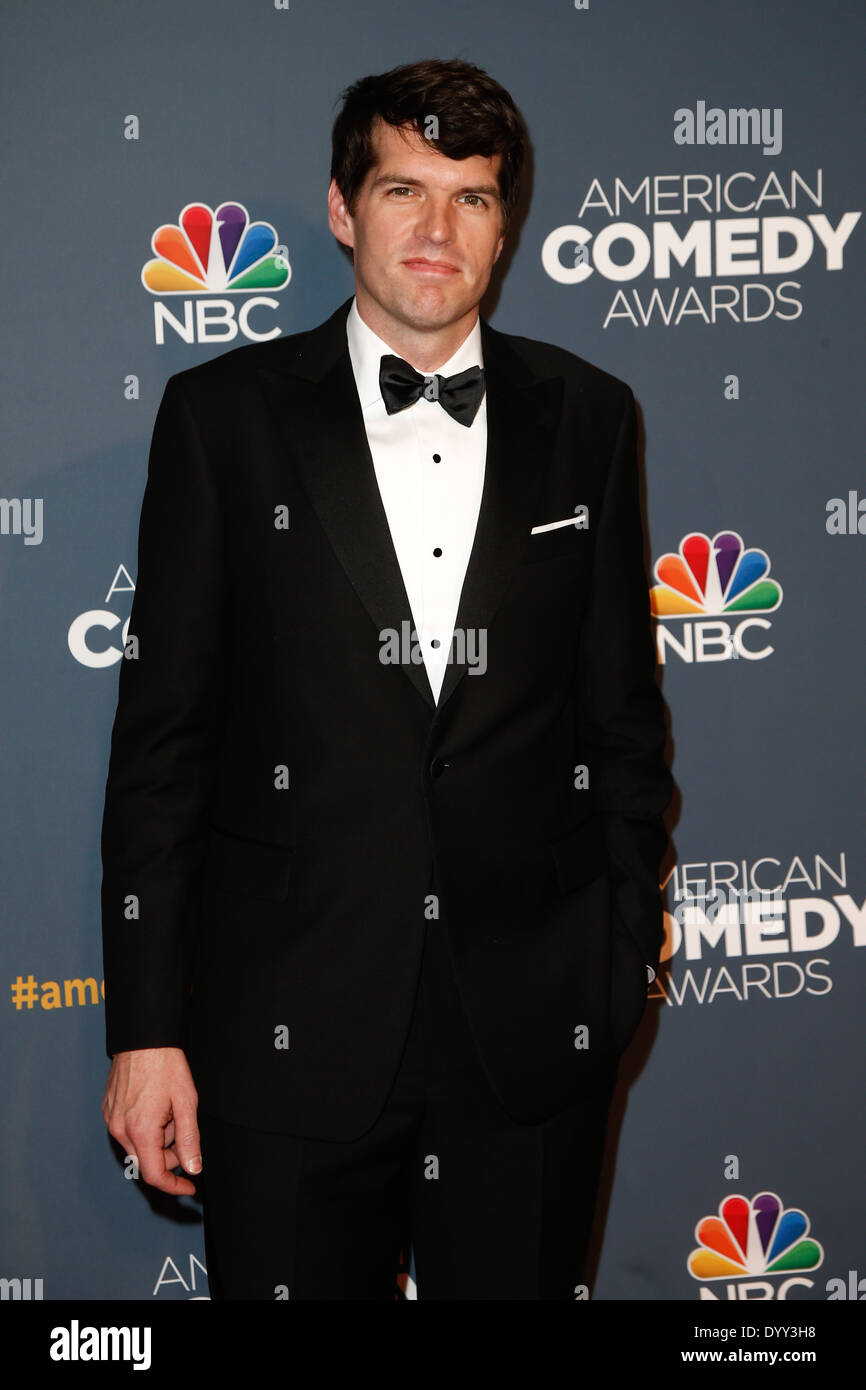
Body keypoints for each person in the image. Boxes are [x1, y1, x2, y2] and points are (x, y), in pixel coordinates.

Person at [100, 56, 673, 1300]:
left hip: (526, 1040)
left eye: (469, 198)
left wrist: (616, 956)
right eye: (403, 189)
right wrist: (147, 1028)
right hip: (282, 1034)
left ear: (505, 224)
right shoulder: (223, 419)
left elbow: (621, 722)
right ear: (340, 208)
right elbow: (163, 747)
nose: (434, 229)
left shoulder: (590, 416)